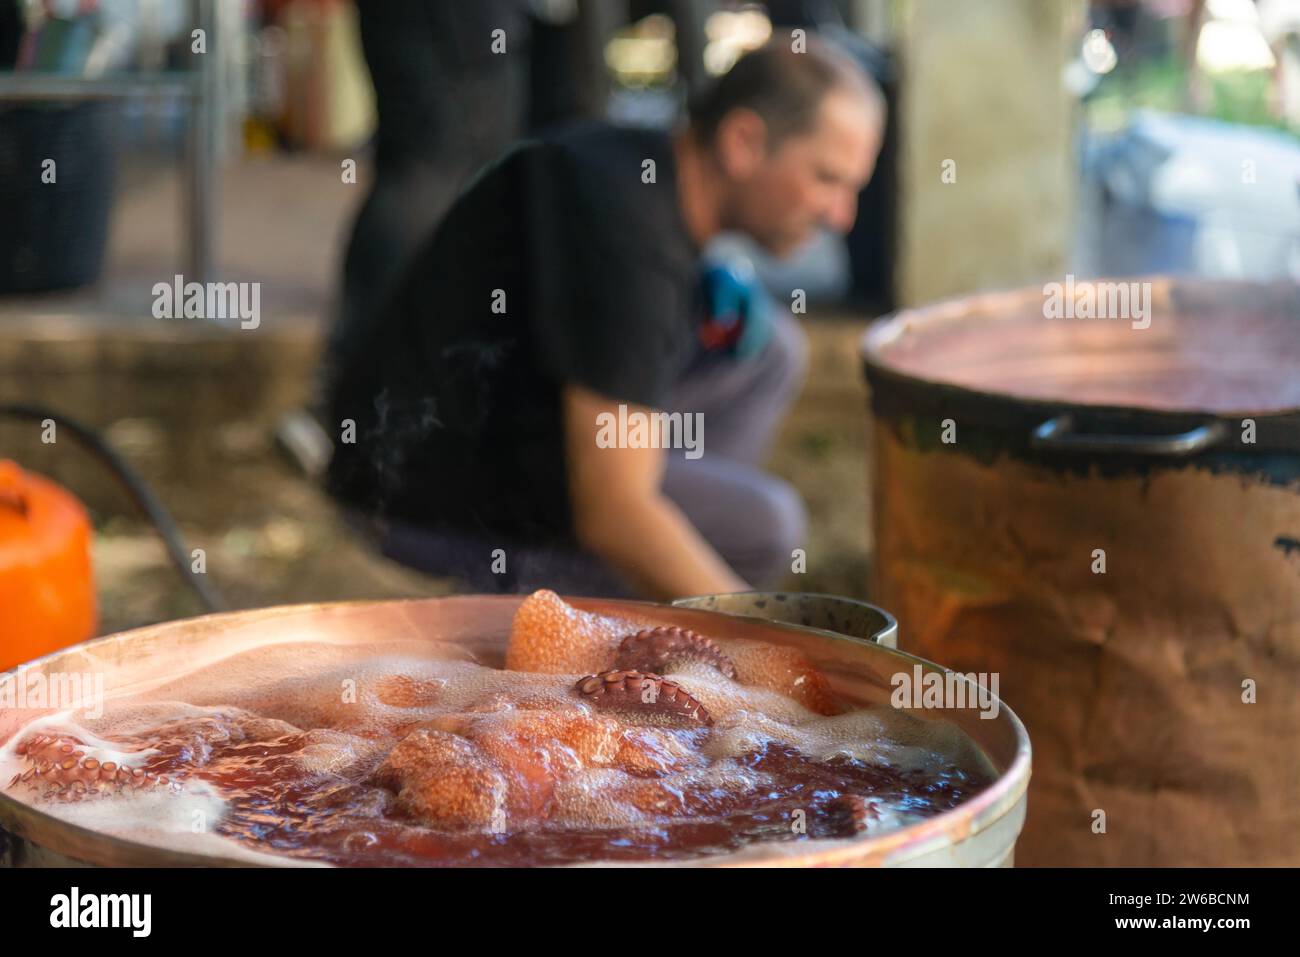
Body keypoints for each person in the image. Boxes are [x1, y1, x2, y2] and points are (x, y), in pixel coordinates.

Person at [325, 37, 885, 600]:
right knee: (765, 527)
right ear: (744, 142)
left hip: (511, 421)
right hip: (418, 500)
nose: (842, 216)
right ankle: (563, 598)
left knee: (769, 351)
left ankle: (663, 548)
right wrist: (764, 642)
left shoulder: (642, 165)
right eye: (827, 179)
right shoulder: (627, 243)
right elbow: (613, 515)